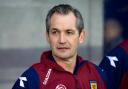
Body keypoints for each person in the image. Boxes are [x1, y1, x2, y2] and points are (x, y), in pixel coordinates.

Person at [12, 4, 108, 89]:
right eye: (55, 32)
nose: (62, 40)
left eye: (69, 32)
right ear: (48, 37)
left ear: (81, 36)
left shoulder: (97, 74)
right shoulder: (33, 78)